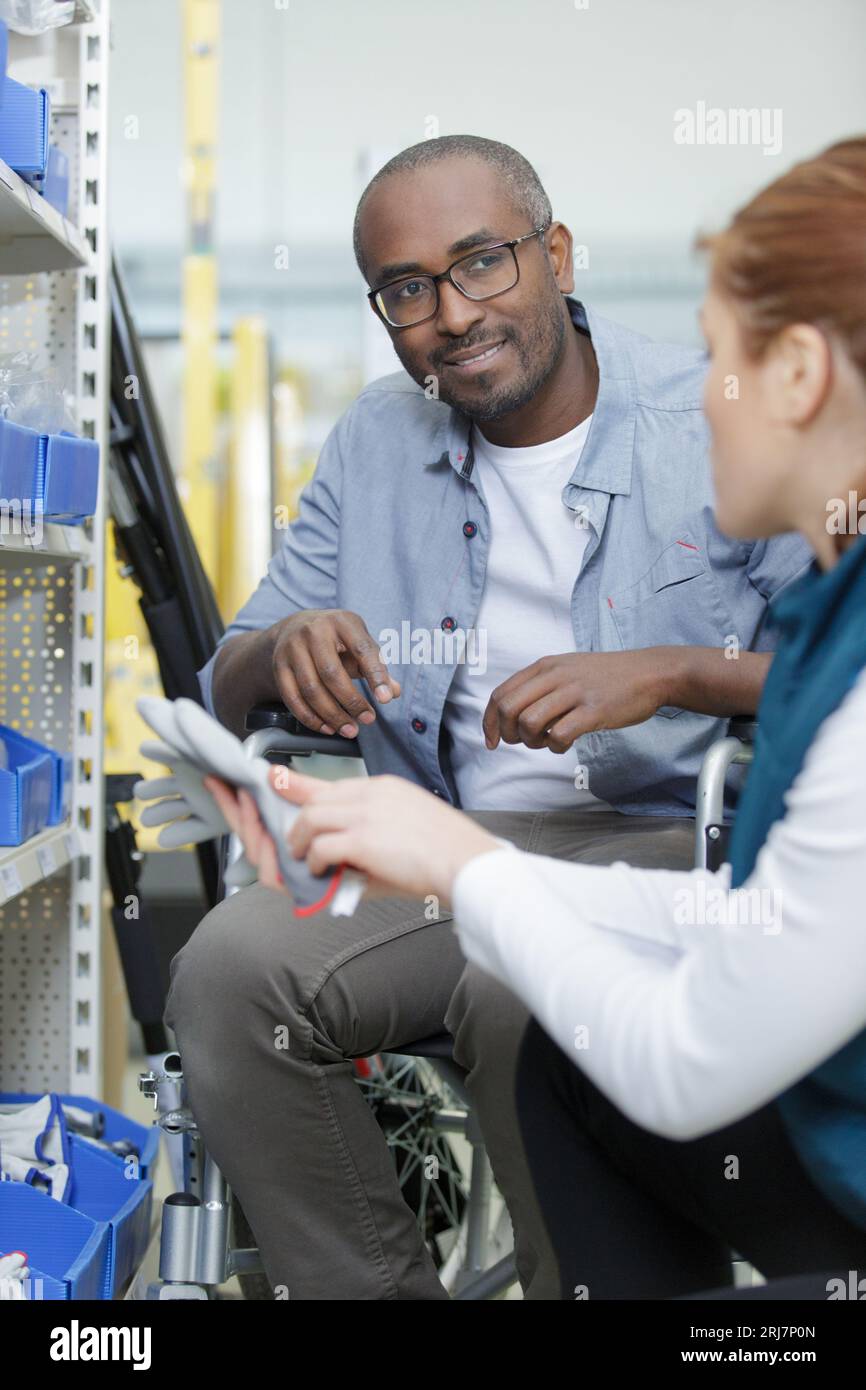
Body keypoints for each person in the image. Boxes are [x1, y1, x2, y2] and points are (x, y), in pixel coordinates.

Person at [209, 137, 866, 1300]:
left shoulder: (703, 426)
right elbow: (227, 673)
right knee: (230, 970)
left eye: (481, 264)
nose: (450, 312)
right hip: (433, 844)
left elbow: (816, 682)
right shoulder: (375, 439)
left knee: (535, 1008)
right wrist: (277, 650)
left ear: (553, 256)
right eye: (406, 288)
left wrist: (667, 670)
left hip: (660, 837)